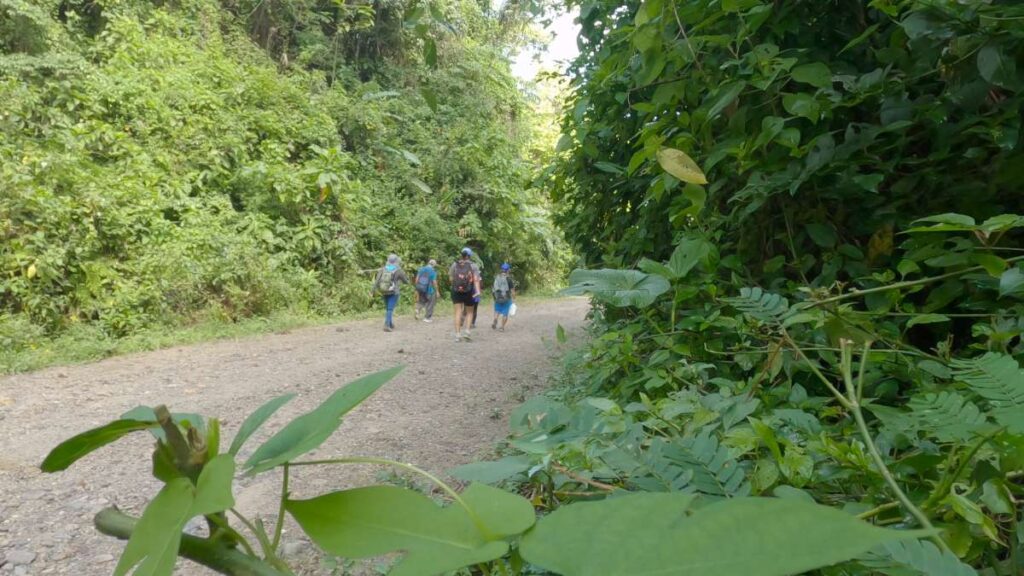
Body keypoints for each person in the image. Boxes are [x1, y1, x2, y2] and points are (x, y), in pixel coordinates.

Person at [370, 254, 409, 332]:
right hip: (394, 292)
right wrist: (405, 280)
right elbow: (406, 281)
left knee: (388, 309)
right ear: (396, 261)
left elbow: (377, 281)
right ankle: (387, 325)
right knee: (390, 309)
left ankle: (390, 323)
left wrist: (372, 291)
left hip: (384, 291)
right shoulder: (399, 270)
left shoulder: (383, 269)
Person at [449, 247, 481, 342]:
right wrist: (478, 291)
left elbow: (450, 278)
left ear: (461, 255)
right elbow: (476, 279)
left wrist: (456, 286)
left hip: (456, 291)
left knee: (458, 312)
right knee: (469, 312)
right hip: (469, 291)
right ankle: (467, 332)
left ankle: (458, 335)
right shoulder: (473, 266)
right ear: (469, 256)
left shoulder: (454, 264)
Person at [491, 262, 517, 331]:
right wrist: (514, 298)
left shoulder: (497, 277)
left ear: (501, 269)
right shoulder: (509, 279)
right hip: (506, 298)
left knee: (497, 310)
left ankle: (495, 319)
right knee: (505, 313)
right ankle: (502, 327)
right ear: (508, 270)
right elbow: (512, 291)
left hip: (498, 297)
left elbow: (494, 287)